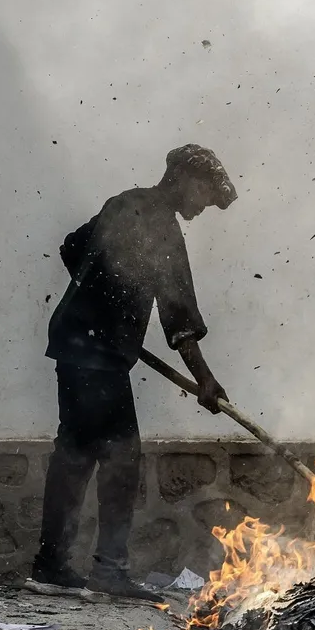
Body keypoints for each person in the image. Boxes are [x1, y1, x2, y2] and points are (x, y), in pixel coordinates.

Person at [31, 144, 237, 600]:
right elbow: (179, 318)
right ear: (182, 176)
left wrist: (106, 305)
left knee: (77, 453)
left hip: (75, 343)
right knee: (121, 455)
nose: (204, 205)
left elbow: (72, 248)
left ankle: (51, 565)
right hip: (97, 354)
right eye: (204, 192)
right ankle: (108, 570)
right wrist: (205, 381)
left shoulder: (123, 202)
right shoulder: (161, 227)